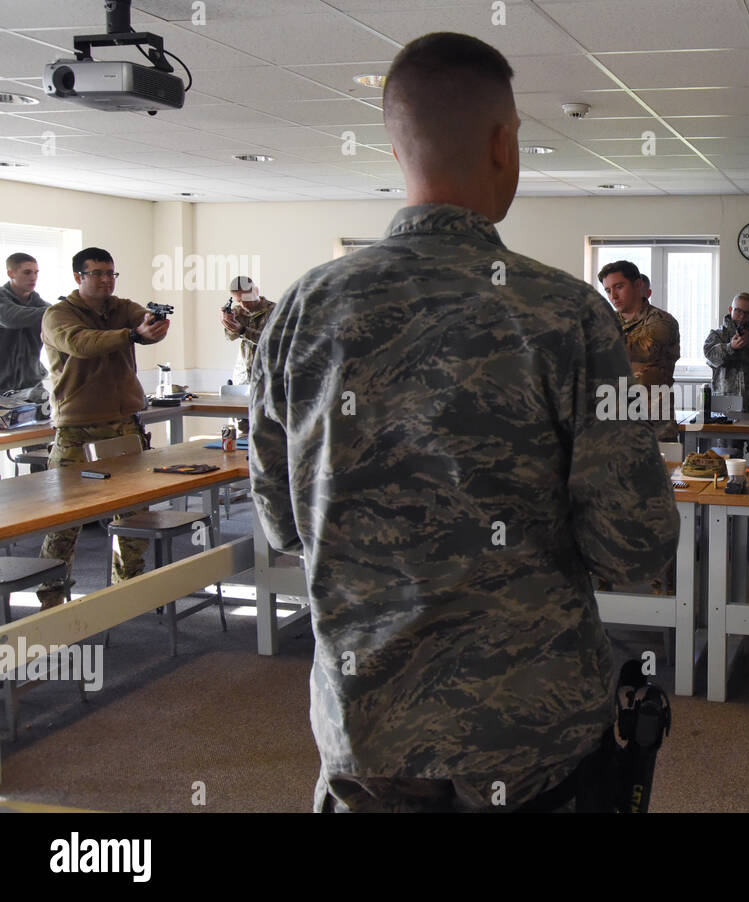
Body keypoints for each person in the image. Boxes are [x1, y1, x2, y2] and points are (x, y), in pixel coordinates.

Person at [248, 32, 678, 813]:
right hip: (528, 731)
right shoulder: (566, 314)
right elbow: (634, 542)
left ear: (395, 141)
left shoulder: (302, 311)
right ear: (503, 141)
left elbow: (281, 522)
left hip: (365, 729)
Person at [35, 247, 170, 609]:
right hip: (77, 428)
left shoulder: (120, 307)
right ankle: (51, 599)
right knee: (65, 519)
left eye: (111, 273)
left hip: (123, 423)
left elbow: (144, 322)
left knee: (134, 514)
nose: (107, 280)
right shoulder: (57, 315)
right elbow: (81, 343)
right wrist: (131, 335)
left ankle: (128, 587)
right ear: (79, 277)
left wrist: (153, 328)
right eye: (98, 274)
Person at [599, 260, 681, 444]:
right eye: (607, 290)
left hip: (653, 424)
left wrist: (595, 342)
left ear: (637, 285)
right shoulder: (606, 322)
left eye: (619, 287)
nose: (613, 296)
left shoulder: (661, 321)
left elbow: (645, 350)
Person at [703, 291, 749, 467]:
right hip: (726, 407)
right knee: (728, 462)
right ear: (730, 309)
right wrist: (730, 347)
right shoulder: (716, 335)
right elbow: (712, 355)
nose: (742, 316)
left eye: (747, 313)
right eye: (738, 311)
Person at [220, 275, 275, 434]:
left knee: (268, 431)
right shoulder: (238, 311)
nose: (243, 304)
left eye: (246, 298)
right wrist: (229, 322)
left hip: (267, 378)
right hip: (243, 380)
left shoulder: (275, 310)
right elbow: (230, 337)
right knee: (243, 431)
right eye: (239, 300)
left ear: (256, 290)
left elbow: (271, 341)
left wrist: (243, 330)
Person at [0, 252, 50, 395]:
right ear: (11, 273)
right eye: (27, 272)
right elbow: (11, 318)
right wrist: (56, 310)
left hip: (33, 388)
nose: (33, 277)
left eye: (36, 272)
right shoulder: (48, 310)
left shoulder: (44, 307)